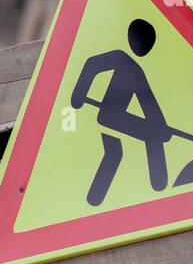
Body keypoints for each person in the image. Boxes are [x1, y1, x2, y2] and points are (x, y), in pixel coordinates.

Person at [70, 19, 174, 206]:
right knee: (131, 145)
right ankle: (158, 183)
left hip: (117, 118)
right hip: (110, 116)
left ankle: (157, 185)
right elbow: (92, 65)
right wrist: (78, 96)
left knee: (116, 152)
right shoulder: (121, 59)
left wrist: (161, 126)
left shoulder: (137, 70)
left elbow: (148, 104)